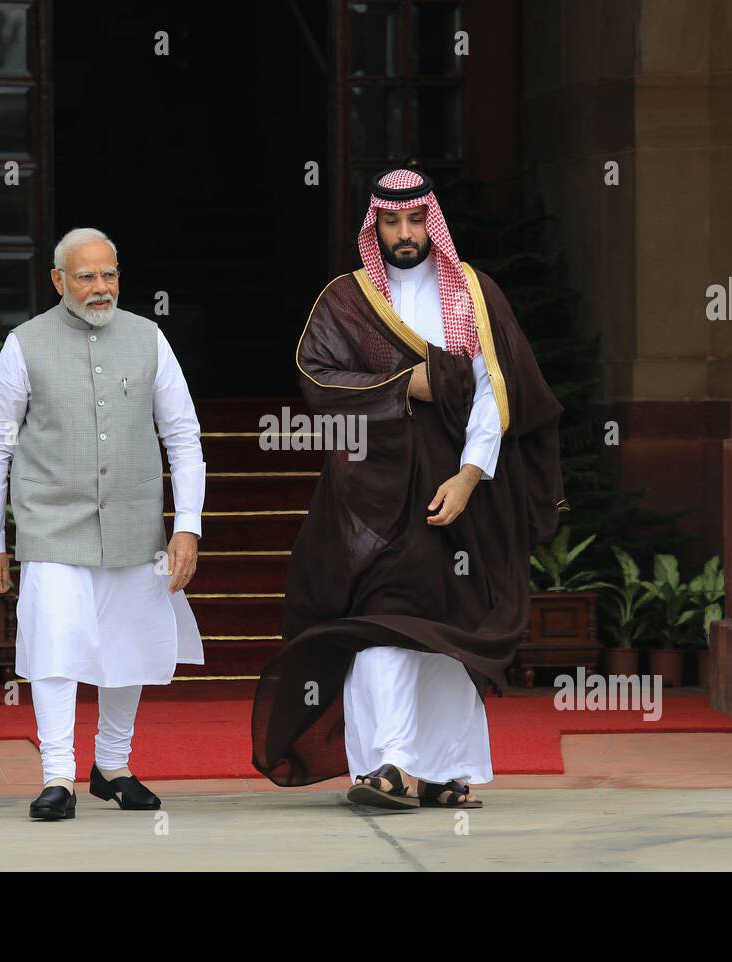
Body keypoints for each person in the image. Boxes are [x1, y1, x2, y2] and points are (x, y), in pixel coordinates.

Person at [251, 168, 566, 809]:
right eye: (391, 222)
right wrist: (402, 386)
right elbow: (317, 380)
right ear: (375, 226)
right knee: (382, 623)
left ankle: (447, 772)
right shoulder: (347, 299)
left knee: (453, 631)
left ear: (432, 222)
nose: (404, 234)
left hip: (463, 492)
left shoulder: (474, 293)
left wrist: (471, 476)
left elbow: (496, 395)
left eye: (415, 221)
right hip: (373, 499)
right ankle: (386, 767)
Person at [0, 227, 206, 819]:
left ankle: (113, 766)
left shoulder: (149, 337)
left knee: (128, 648)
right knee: (55, 649)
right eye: (86, 276)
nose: (100, 288)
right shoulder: (25, 344)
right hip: (52, 526)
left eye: (109, 274)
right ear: (58, 280)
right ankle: (57, 778)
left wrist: (188, 526)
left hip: (135, 527)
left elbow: (183, 436)